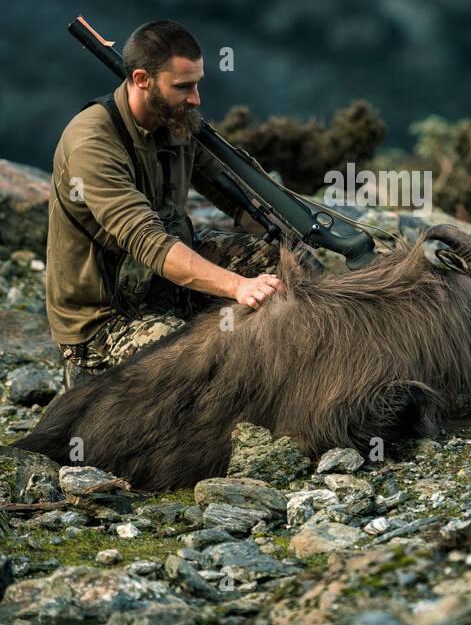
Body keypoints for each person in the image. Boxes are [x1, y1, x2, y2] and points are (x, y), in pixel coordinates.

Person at [45, 19, 316, 388]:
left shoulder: (174, 119)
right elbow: (150, 244)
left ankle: (306, 370)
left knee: (292, 267)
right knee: (192, 356)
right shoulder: (92, 142)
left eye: (197, 84)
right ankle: (89, 378)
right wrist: (239, 287)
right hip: (107, 316)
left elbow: (232, 194)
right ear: (142, 79)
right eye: (183, 86)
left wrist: (290, 236)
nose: (196, 99)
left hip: (164, 284)